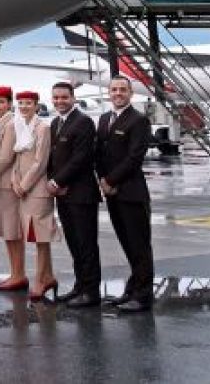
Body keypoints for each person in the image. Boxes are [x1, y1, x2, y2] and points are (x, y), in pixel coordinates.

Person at [96, 76, 154, 313]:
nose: (118, 93)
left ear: (130, 93)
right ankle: (133, 289)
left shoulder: (138, 120)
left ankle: (143, 296)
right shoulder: (104, 119)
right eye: (114, 89)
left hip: (132, 192)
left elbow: (135, 157)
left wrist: (110, 180)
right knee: (127, 244)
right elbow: (99, 154)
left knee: (140, 246)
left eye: (122, 90)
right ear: (109, 93)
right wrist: (102, 179)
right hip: (112, 193)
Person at [0, 90, 59, 302]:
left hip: (37, 189)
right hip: (22, 188)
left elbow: (40, 161)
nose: (24, 106)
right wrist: (15, 180)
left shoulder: (42, 128)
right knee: (32, 234)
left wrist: (23, 185)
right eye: (21, 103)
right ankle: (48, 276)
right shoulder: (19, 126)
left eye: (28, 103)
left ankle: (40, 279)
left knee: (40, 236)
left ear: (36, 106)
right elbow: (16, 158)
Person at [48, 82, 102, 308]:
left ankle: (91, 292)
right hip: (64, 195)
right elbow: (52, 158)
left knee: (87, 244)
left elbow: (81, 158)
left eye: (64, 97)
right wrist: (52, 181)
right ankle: (80, 286)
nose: (60, 101)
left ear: (73, 98)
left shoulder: (83, 122)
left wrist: (58, 181)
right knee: (74, 244)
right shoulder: (56, 123)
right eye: (56, 98)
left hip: (81, 194)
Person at [0, 86, 27, 292]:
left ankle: (18, 275)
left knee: (13, 232)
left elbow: (4, 158)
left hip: (6, 183)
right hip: (0, 184)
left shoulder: (10, 123)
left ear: (9, 104)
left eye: (1, 101)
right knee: (8, 232)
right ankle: (15, 273)